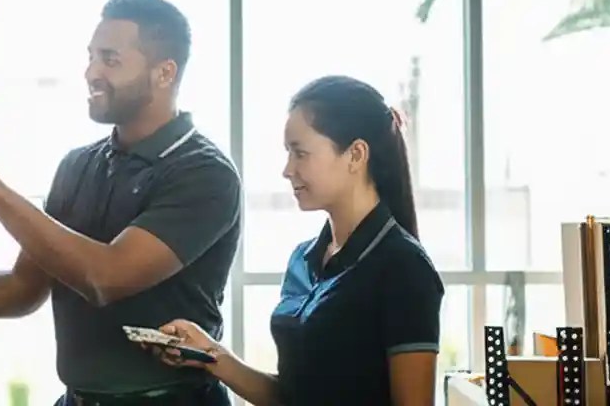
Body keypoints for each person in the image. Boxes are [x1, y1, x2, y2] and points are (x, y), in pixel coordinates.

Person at [0, 0, 242, 405]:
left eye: (110, 60)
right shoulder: (78, 166)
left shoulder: (204, 174)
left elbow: (105, 278)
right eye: (91, 57)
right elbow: (19, 289)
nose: (91, 72)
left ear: (164, 73)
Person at [148, 75, 443, 406]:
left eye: (300, 153)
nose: (287, 169)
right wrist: (209, 353)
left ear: (356, 155)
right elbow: (290, 398)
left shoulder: (404, 267)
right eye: (288, 153)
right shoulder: (303, 259)